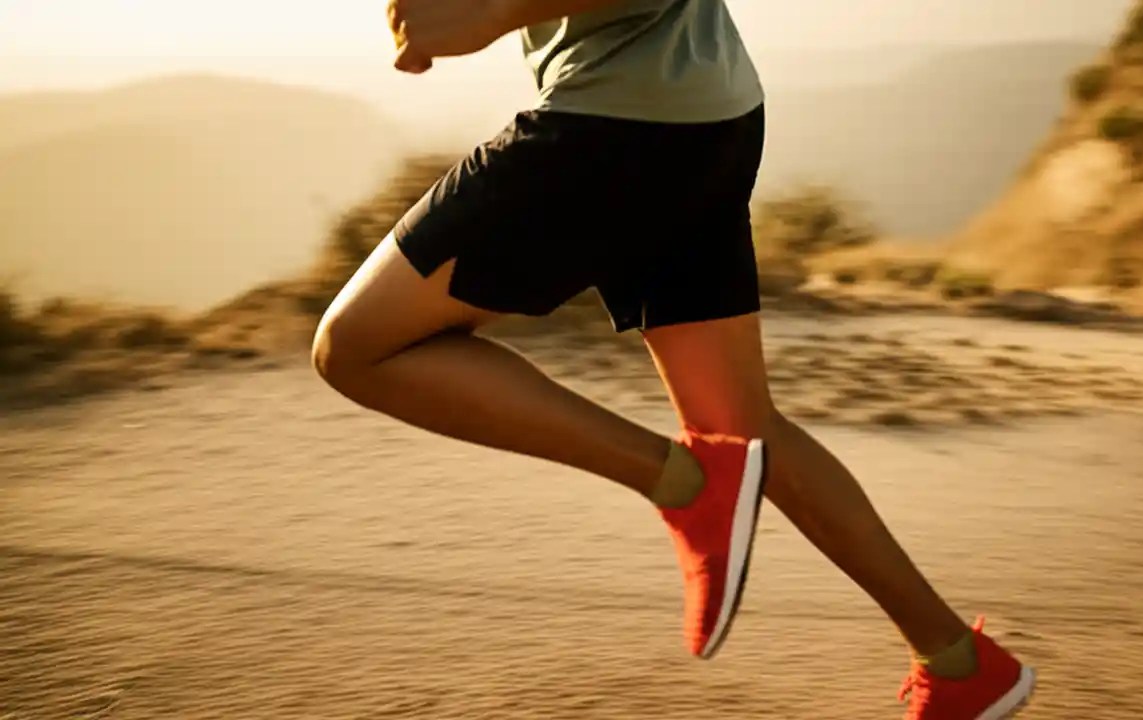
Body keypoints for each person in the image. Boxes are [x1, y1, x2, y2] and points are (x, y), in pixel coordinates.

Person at [311, 1, 1036, 717]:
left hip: (619, 128)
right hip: (701, 118)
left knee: (357, 348)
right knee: (744, 431)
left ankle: (682, 483)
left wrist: (492, 15)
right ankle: (957, 662)